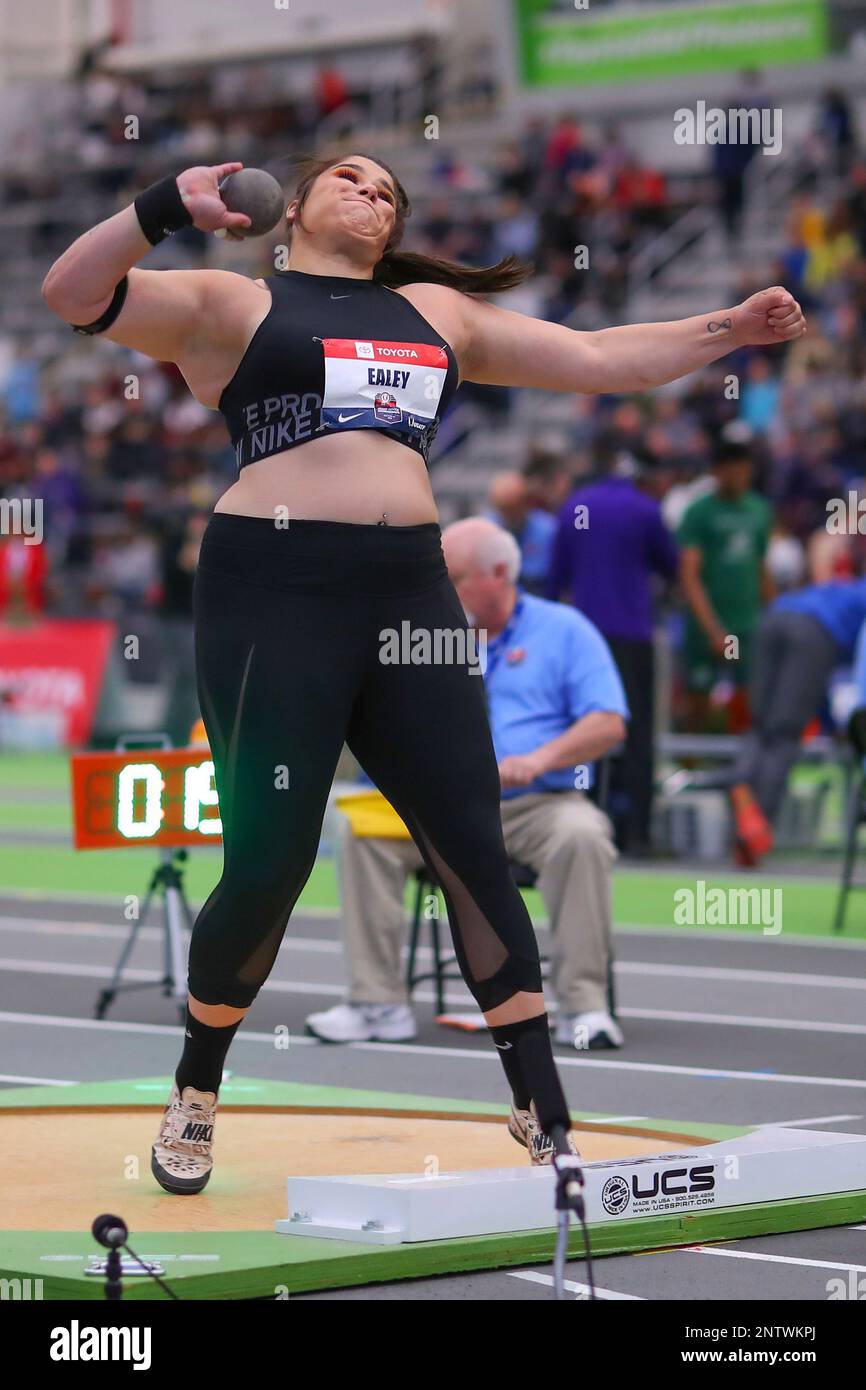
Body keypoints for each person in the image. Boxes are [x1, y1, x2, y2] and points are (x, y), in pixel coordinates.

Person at [41, 150, 806, 1194]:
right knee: (268, 865)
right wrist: (167, 203)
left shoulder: (434, 315)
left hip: (411, 596)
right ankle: (196, 1087)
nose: (373, 193)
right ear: (296, 205)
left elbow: (600, 357)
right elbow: (73, 292)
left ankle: (543, 1112)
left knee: (472, 851)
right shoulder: (232, 300)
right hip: (274, 590)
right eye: (350, 177)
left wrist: (728, 328)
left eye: (390, 190)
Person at [307, 519, 627, 1051]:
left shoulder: (565, 630)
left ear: (499, 573)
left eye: (453, 577)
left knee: (583, 834)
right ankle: (376, 1002)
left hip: (534, 805)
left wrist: (538, 759)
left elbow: (608, 722)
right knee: (357, 827)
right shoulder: (421, 635)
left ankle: (583, 1006)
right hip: (438, 808)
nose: (441, 591)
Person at [547, 436, 679, 854]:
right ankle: (637, 835)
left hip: (582, 637)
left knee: (583, 731)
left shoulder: (574, 507)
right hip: (632, 637)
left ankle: (577, 825)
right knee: (637, 735)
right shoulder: (646, 509)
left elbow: (554, 582)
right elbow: (673, 566)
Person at [730, 575, 866, 864]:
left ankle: (742, 790)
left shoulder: (840, 589)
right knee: (784, 734)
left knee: (759, 725)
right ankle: (756, 830)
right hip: (812, 635)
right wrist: (839, 725)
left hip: (773, 619)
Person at [678, 439, 774, 733]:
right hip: (706, 630)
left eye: (743, 469)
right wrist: (713, 629)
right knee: (697, 706)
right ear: (717, 471)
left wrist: (776, 611)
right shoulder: (698, 513)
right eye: (730, 469)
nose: (737, 476)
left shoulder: (759, 510)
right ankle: (691, 773)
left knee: (749, 704)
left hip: (747, 624)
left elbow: (761, 567)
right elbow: (689, 575)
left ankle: (741, 774)